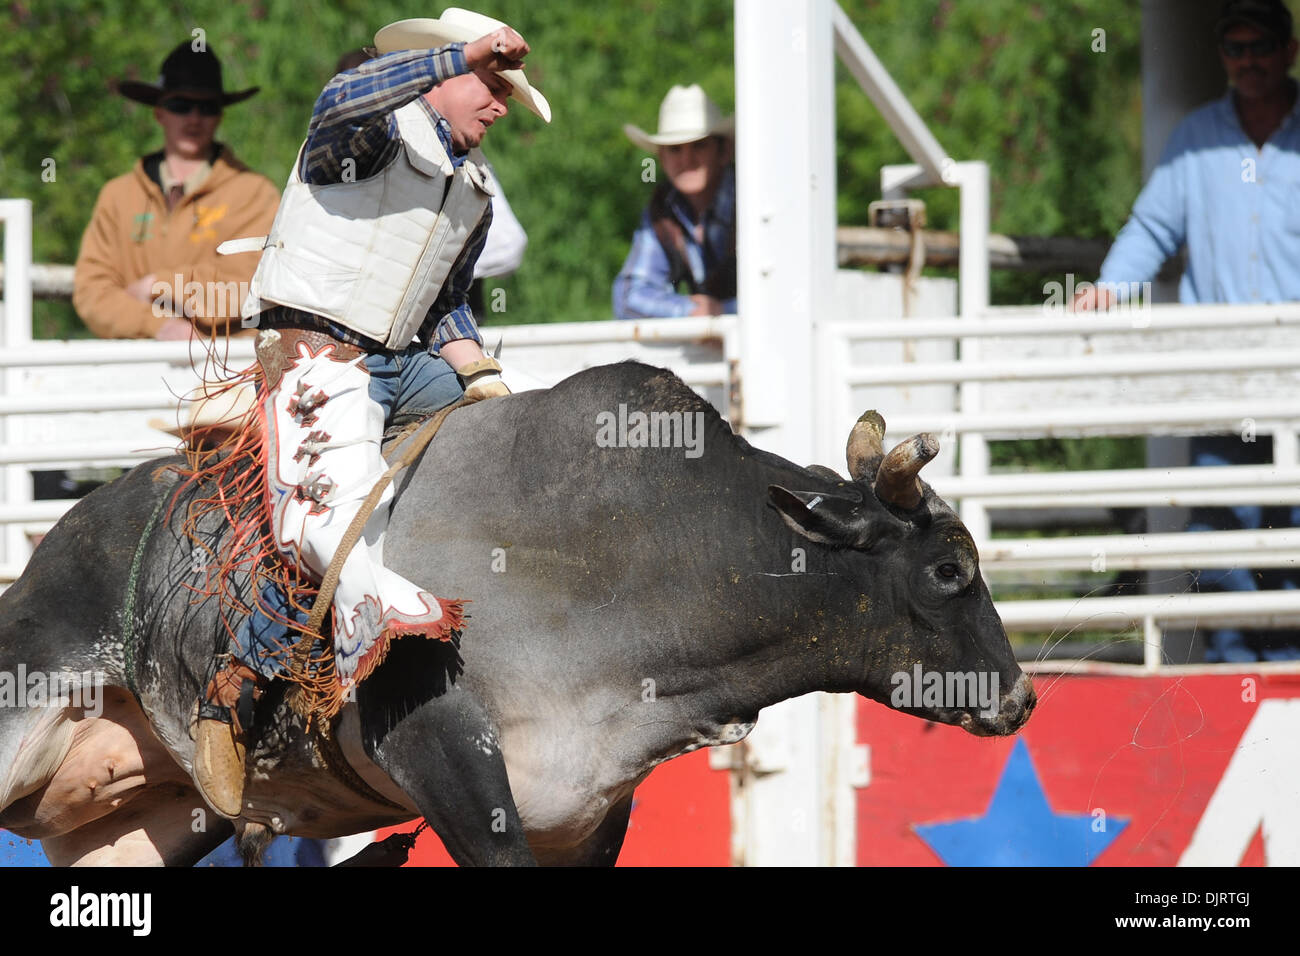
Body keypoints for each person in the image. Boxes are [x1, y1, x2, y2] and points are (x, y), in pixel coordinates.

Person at [193, 8, 550, 818]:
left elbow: (446, 303)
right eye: (491, 87)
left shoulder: (474, 192)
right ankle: (232, 691)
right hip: (312, 350)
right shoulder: (369, 137)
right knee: (332, 519)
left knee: (538, 419)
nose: (499, 106)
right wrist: (462, 54)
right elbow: (340, 101)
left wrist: (483, 377)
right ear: (443, 71)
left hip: (403, 360)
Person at [1073, 0, 1300, 661]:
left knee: (1294, 527)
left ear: (1287, 52)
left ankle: (1289, 672)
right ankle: (1233, 668)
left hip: (1297, 378)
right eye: (1235, 48)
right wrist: (1111, 289)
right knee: (1223, 524)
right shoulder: (1196, 138)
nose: (1248, 60)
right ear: (1223, 59)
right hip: (1222, 376)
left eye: (1260, 46)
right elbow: (1152, 227)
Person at [73, 41, 280, 340]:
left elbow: (249, 283)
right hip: (130, 371)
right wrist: (158, 326)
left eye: (207, 107)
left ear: (220, 116)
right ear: (159, 112)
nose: (194, 118)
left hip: (226, 372)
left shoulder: (255, 193)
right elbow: (92, 291)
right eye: (180, 105)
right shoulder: (116, 196)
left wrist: (157, 285)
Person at [613, 84, 736, 319]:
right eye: (675, 149)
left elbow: (781, 291)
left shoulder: (753, 201)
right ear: (662, 157)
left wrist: (721, 313)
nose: (686, 159)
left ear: (724, 151)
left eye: (699, 145)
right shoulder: (663, 211)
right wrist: (692, 311)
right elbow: (628, 297)